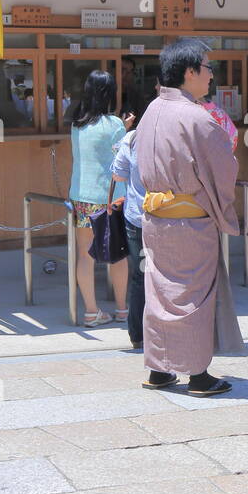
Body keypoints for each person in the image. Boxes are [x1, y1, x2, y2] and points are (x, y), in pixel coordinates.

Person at [136, 38, 240, 396]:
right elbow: (224, 170)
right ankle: (198, 375)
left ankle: (159, 369)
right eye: (209, 68)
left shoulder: (151, 110)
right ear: (191, 71)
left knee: (160, 292)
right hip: (190, 220)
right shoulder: (198, 117)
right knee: (193, 296)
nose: (212, 76)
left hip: (156, 218)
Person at [68, 70, 131, 328]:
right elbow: (121, 155)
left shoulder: (77, 123)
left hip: (81, 195)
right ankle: (122, 309)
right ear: (109, 94)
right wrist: (126, 129)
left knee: (85, 255)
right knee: (117, 253)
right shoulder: (114, 124)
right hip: (110, 198)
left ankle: (91, 312)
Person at [110, 126, 145, 349]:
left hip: (138, 217)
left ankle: (138, 335)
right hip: (173, 218)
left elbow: (117, 174)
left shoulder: (132, 137)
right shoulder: (177, 132)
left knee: (141, 276)